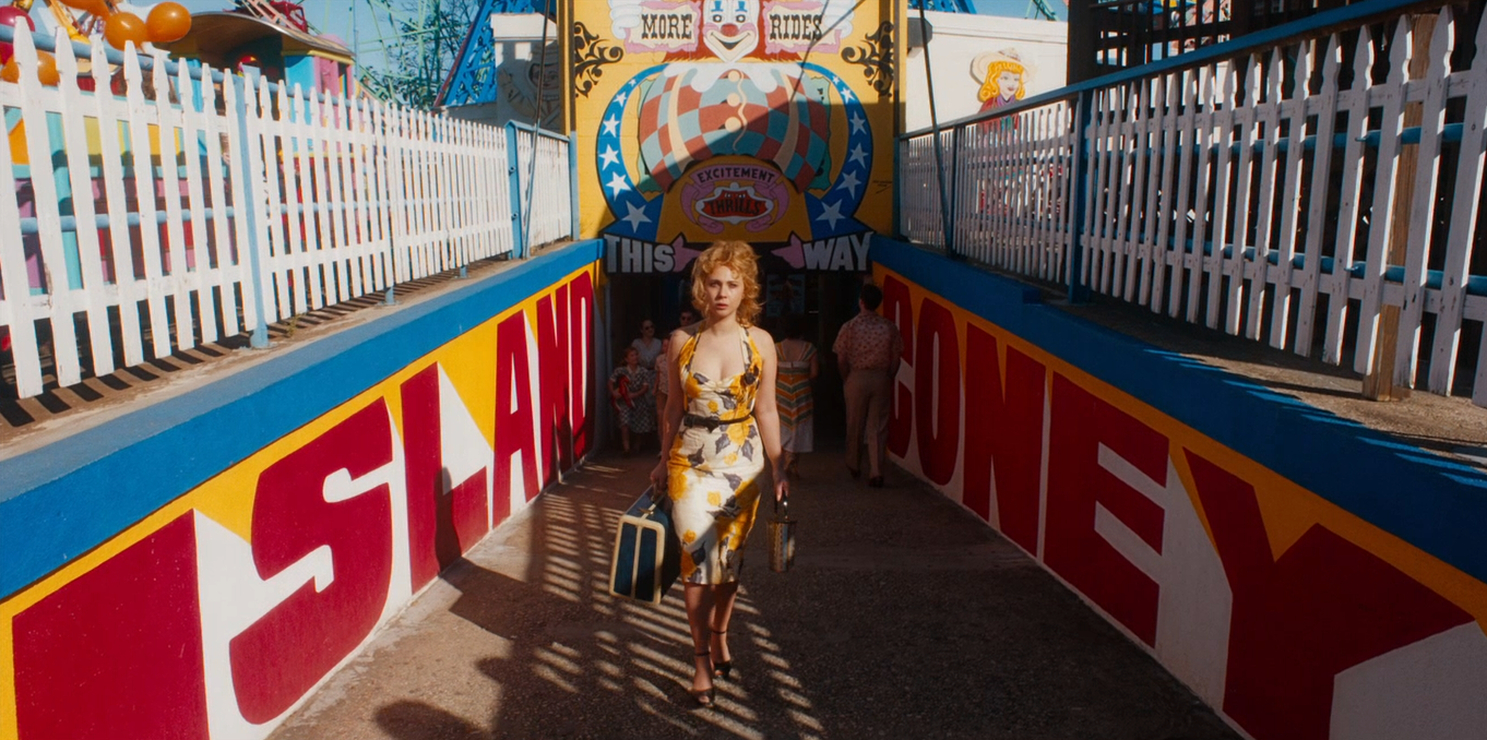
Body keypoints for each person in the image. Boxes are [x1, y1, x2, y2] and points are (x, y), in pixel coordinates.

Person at [651, 241, 787, 708]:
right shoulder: (680, 342)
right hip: (690, 464)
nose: (722, 293)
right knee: (696, 563)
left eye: (732, 284)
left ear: (745, 288)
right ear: (701, 288)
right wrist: (660, 458)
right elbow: (671, 407)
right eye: (714, 283)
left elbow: (767, 409)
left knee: (728, 564)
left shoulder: (761, 342)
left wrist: (779, 464)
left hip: (743, 466)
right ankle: (701, 661)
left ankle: (721, 633)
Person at [832, 283, 903, 488]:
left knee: (855, 422)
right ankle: (876, 470)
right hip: (881, 377)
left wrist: (847, 378)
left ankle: (854, 463)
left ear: (861, 302)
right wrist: (889, 376)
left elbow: (842, 358)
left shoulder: (849, 327)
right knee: (878, 426)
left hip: (856, 376)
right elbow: (896, 357)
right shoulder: (889, 327)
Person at [774, 315, 818, 480]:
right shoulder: (810, 348)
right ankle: (793, 463)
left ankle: (786, 460)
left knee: (783, 427)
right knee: (800, 428)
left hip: (781, 394)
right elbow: (814, 373)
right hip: (802, 393)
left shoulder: (776, 349)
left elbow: (772, 373)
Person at [608, 346, 655, 455]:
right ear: (626, 359)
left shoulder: (643, 371)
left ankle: (636, 446)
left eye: (636, 355)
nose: (635, 358)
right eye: (632, 355)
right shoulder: (621, 371)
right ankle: (626, 448)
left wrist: (635, 394)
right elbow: (610, 382)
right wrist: (614, 392)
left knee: (640, 424)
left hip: (638, 400)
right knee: (624, 422)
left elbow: (645, 387)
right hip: (624, 401)